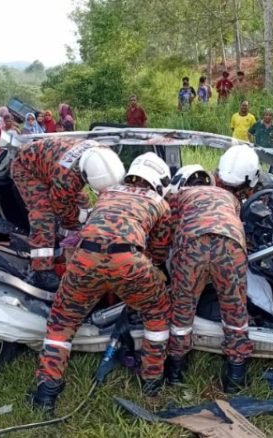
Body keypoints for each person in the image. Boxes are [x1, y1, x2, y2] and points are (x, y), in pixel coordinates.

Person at [31, 152, 173, 411]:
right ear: (160, 181)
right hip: (129, 261)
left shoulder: (107, 194)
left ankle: (46, 393)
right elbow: (160, 250)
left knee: (62, 322)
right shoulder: (159, 202)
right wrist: (151, 273)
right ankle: (151, 380)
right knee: (157, 313)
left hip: (85, 258)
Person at [164, 164, 253, 393]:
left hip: (193, 245)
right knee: (235, 310)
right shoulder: (229, 196)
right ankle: (235, 377)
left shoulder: (180, 195)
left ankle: (175, 373)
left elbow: (169, 230)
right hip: (230, 245)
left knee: (183, 309)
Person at [10, 138, 121, 290]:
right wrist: (77, 219)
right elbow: (59, 207)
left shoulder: (105, 157)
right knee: (44, 215)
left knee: (84, 203)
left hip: (52, 166)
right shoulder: (66, 177)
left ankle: (70, 236)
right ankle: (41, 270)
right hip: (27, 167)